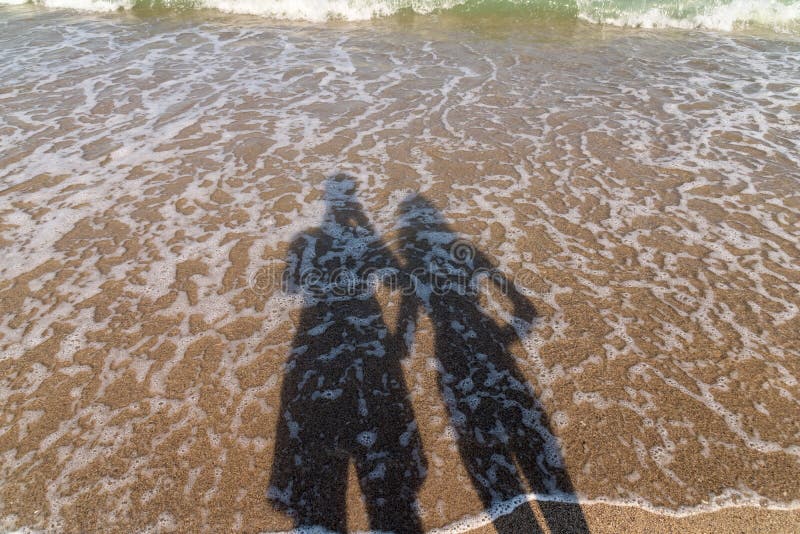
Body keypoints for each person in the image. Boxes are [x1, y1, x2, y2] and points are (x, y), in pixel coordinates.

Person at [396, 193, 588, 534]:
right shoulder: (469, 253)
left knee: (478, 442)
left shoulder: (414, 269)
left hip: (451, 355)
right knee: (531, 433)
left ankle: (515, 518)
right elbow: (524, 309)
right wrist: (499, 340)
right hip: (495, 352)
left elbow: (404, 336)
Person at [268, 175, 425, 533]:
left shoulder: (303, 241)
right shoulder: (364, 241)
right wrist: (402, 337)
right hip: (370, 345)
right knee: (389, 483)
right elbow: (405, 286)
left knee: (321, 481)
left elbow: (290, 288)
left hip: (315, 346)